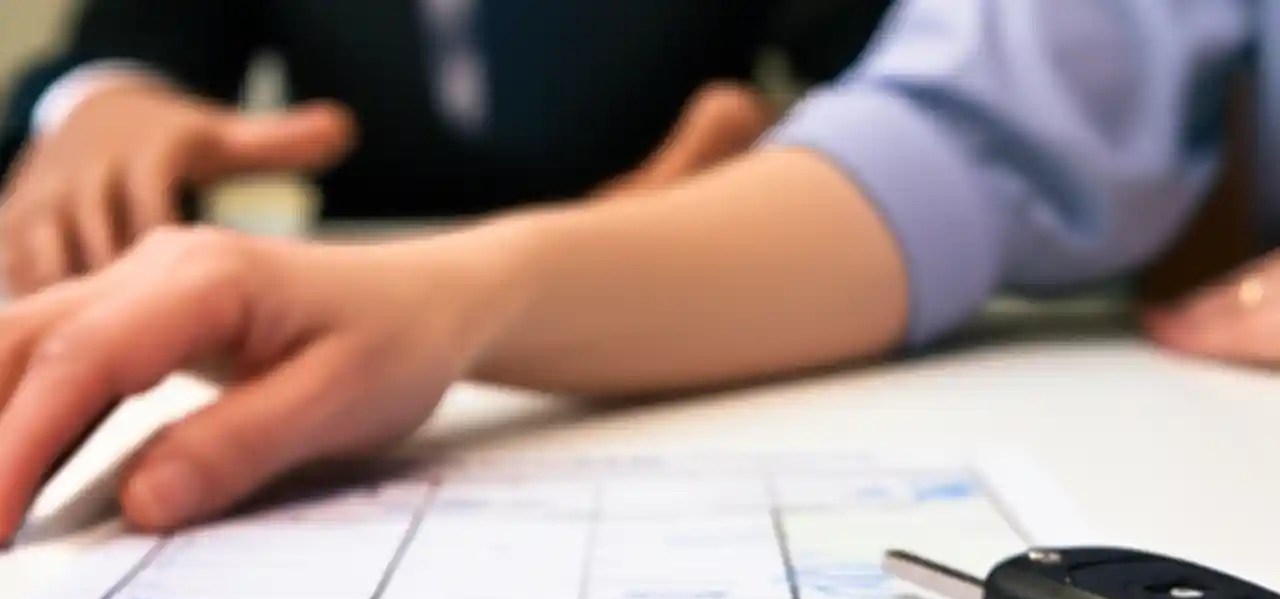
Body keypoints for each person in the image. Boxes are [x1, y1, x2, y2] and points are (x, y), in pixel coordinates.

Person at [0, 0, 1275, 544]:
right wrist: (448, 297)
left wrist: (762, 136)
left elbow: (858, 78)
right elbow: (955, 137)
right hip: (494, 305)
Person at [0, 0, 887, 294]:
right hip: (361, 290)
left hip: (679, 284)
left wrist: (797, 149)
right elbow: (122, 49)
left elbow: (905, 70)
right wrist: (102, 99)